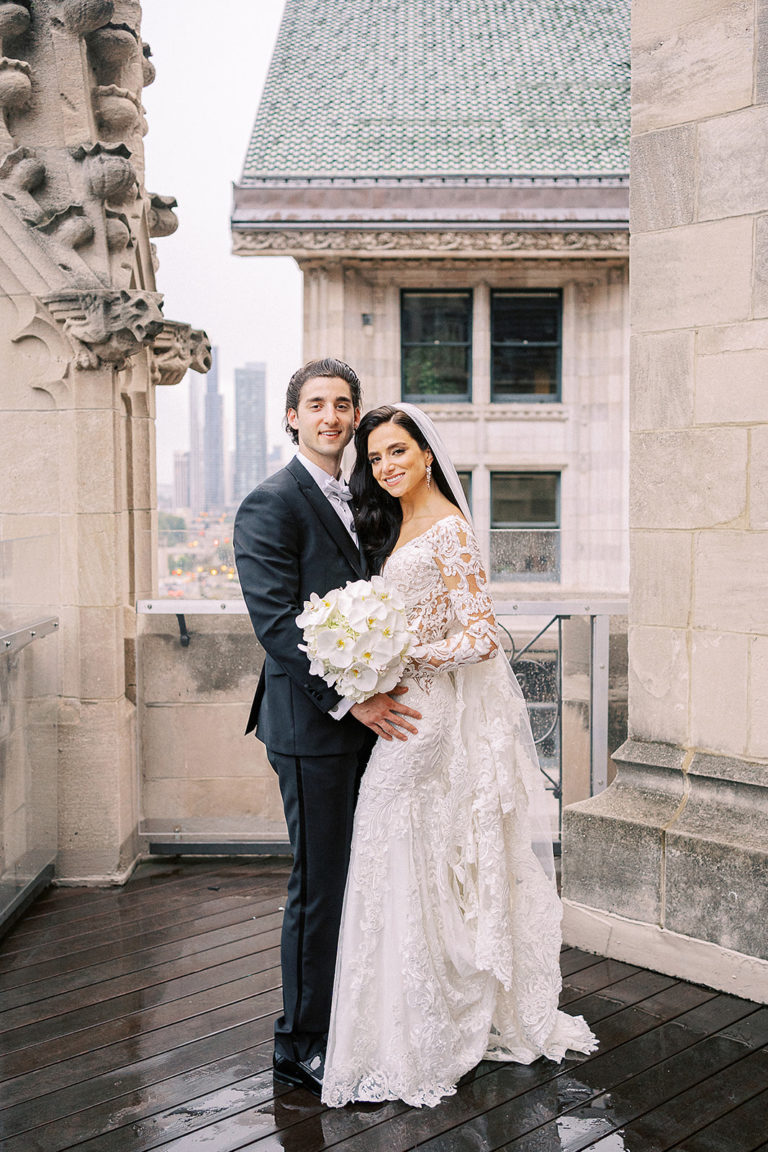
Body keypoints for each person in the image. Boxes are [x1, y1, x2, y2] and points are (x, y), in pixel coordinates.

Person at [322, 403, 597, 1109]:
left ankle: (429, 1026)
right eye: (376, 457)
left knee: (398, 839)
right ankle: (403, 1018)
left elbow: (482, 635)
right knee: (401, 849)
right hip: (404, 705)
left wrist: (399, 654)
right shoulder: (395, 521)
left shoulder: (448, 528)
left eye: (397, 452)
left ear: (425, 453)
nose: (385, 466)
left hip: (428, 713)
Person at [234, 362, 421, 1098]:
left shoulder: (365, 497)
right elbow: (277, 626)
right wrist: (354, 703)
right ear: (291, 417)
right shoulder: (269, 504)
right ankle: (299, 1041)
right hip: (312, 728)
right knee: (318, 884)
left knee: (359, 876)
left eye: (344, 405)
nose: (332, 416)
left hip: (364, 726)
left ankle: (350, 1018)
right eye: (316, 405)